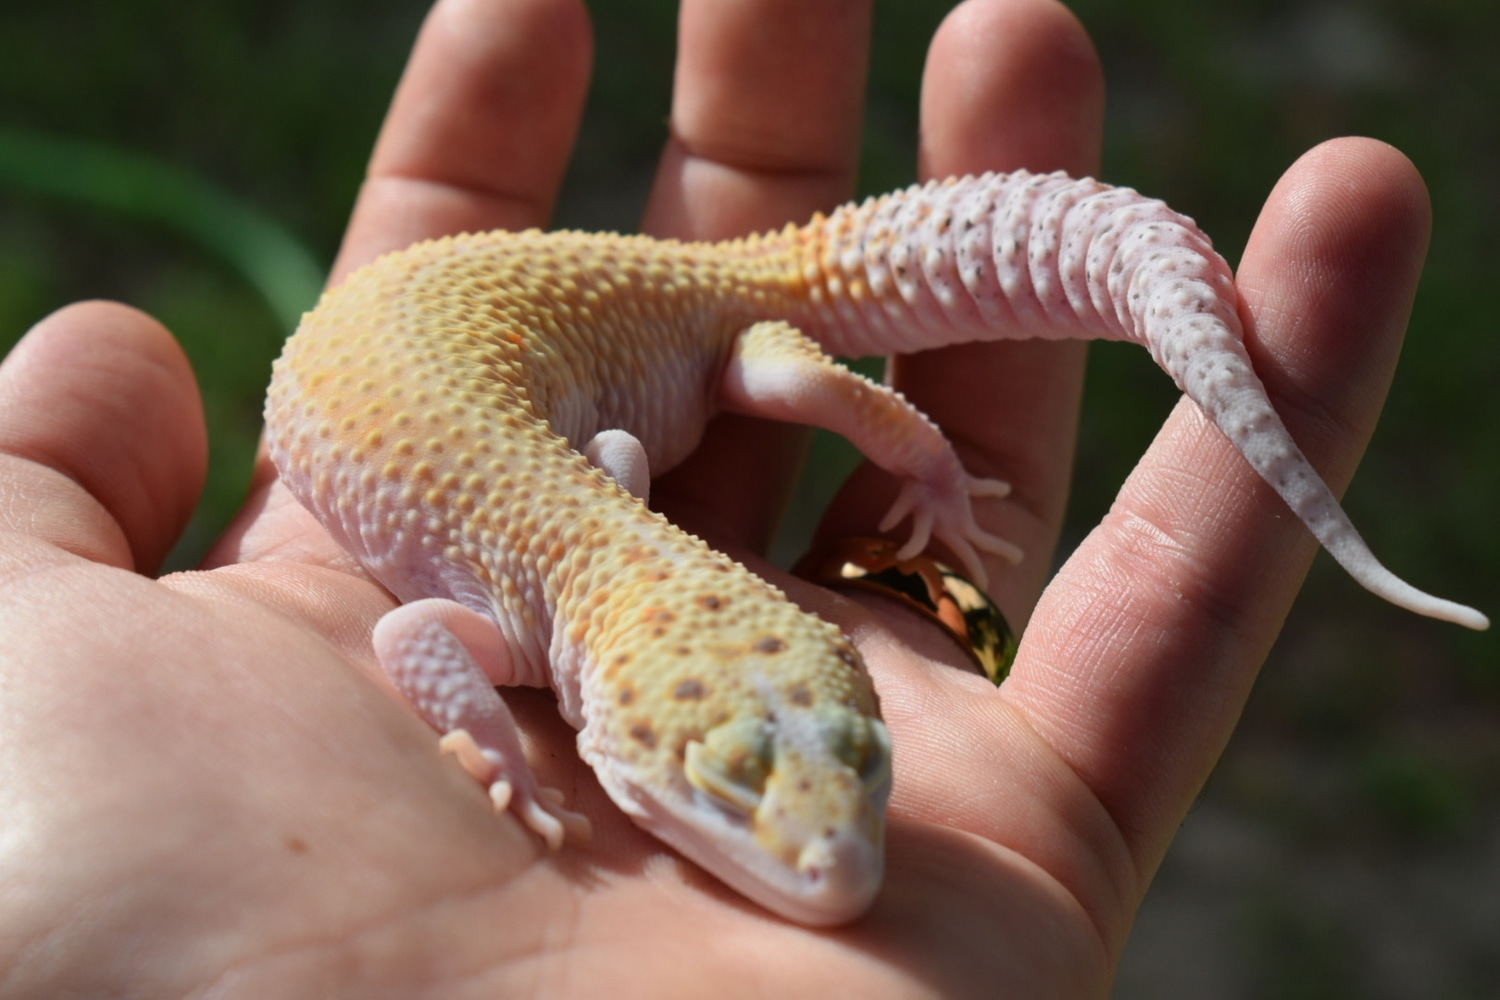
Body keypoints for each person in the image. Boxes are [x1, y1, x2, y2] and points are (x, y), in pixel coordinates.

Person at [0, 0, 1436, 993]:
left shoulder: (552, 590)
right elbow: (409, 643)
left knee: (750, 393)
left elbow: (450, 601)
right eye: (752, 785)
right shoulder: (528, 611)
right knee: (704, 416)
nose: (838, 856)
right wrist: (482, 742)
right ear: (619, 713)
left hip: (655, 324)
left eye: (850, 779)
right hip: (523, 339)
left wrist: (919, 463)